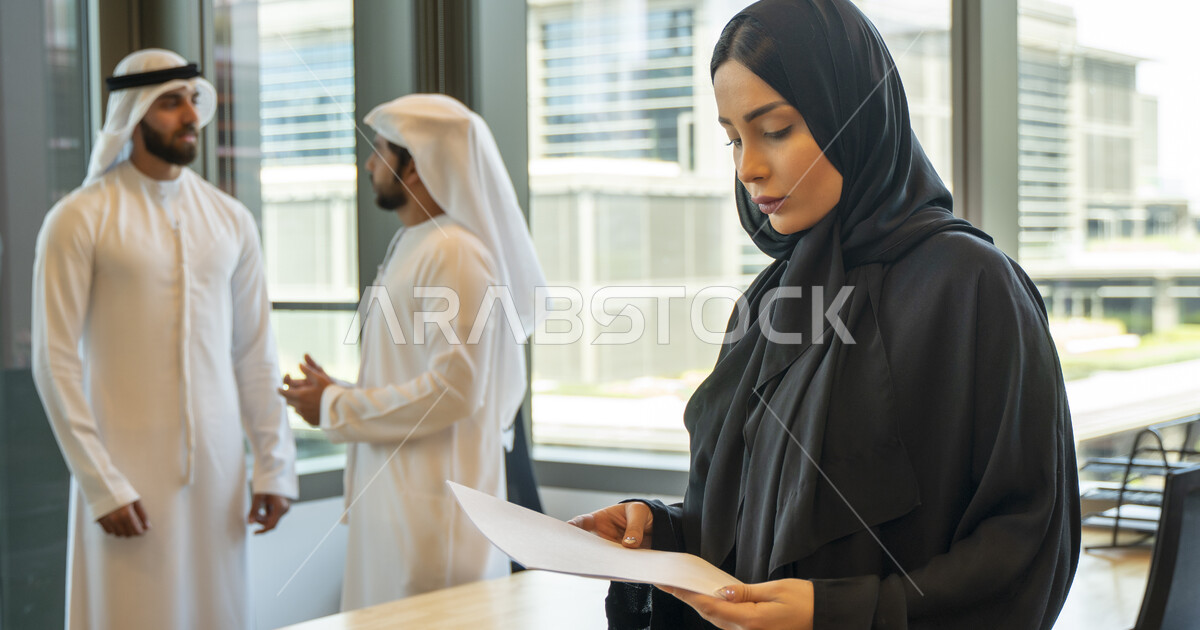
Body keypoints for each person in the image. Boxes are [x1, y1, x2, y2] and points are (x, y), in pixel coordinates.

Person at [570, 2, 1080, 628]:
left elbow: (1028, 543)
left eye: (776, 130)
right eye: (733, 139)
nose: (748, 167)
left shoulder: (969, 284)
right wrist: (662, 530)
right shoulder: (770, 301)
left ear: (852, 117)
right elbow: (763, 523)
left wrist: (840, 613)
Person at [31, 49, 298, 630]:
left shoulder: (231, 220)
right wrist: (101, 483)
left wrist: (274, 466)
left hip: (220, 476)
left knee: (217, 612)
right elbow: (53, 361)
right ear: (133, 114)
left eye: (193, 100)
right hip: (126, 472)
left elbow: (255, 353)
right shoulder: (81, 218)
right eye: (171, 102)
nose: (189, 116)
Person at [279, 93, 545, 610]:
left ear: (416, 166)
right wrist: (338, 392)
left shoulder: (455, 253)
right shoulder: (418, 243)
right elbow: (417, 375)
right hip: (398, 506)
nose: (369, 164)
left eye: (380, 151)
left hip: (432, 520)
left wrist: (336, 407)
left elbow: (453, 391)